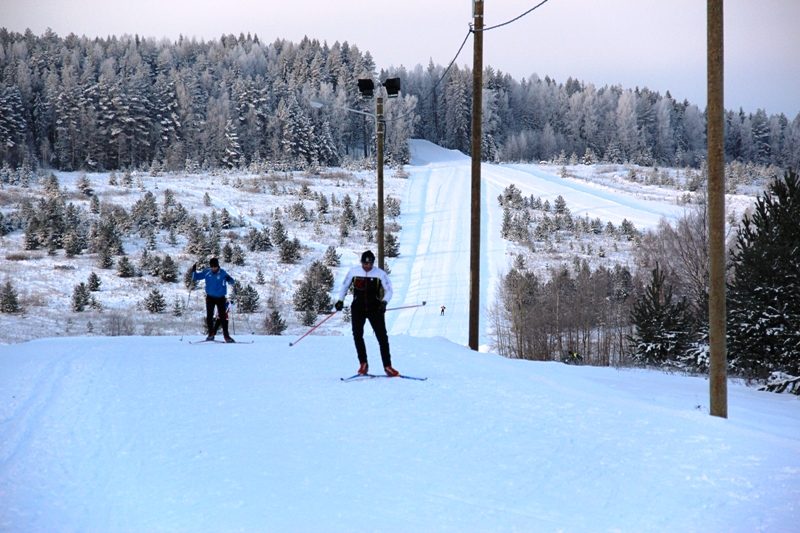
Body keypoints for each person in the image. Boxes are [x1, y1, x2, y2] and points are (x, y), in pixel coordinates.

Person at [335, 250, 399, 377]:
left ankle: (388, 366)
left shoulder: (380, 274)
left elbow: (389, 290)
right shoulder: (354, 272)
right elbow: (344, 286)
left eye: (370, 264)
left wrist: (384, 302)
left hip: (375, 308)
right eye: (365, 263)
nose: (368, 266)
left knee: (382, 337)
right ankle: (363, 364)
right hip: (358, 308)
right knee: (357, 335)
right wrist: (340, 301)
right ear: (362, 262)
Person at [192, 257, 236, 342]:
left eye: (215, 267)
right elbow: (195, 277)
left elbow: (232, 282)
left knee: (223, 317)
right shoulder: (207, 272)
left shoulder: (223, 273)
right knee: (209, 316)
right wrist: (193, 271)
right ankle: (211, 334)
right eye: (212, 267)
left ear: (218, 266)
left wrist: (229, 279)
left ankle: (226, 336)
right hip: (210, 297)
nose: (213, 268)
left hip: (220, 298)